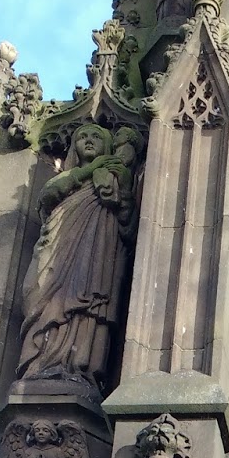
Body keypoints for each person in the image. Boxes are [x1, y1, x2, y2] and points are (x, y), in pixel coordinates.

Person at [16, 124, 140, 396]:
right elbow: (49, 194)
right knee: (46, 300)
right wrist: (90, 170)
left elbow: (128, 224)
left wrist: (122, 188)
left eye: (96, 136)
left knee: (88, 307)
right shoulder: (69, 178)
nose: (89, 140)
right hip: (60, 252)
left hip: (98, 252)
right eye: (82, 137)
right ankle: (42, 364)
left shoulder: (115, 175)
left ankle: (79, 369)